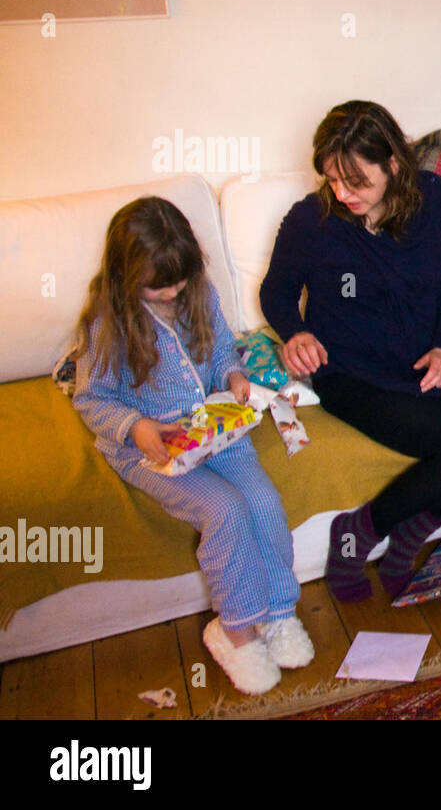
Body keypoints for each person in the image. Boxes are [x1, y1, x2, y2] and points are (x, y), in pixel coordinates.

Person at [260, 101, 441, 603]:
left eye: (355, 182)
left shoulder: (431, 196)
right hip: (350, 370)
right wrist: (295, 333)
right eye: (332, 180)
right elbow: (276, 293)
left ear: (393, 164)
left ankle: (412, 533)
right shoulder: (312, 219)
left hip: (420, 361)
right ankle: (359, 531)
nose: (342, 194)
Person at [72, 197, 312, 696]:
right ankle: (236, 630)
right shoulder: (108, 322)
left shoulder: (199, 294)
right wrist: (134, 425)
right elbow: (92, 398)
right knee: (225, 511)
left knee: (265, 503)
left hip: (212, 428)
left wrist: (234, 376)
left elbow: (223, 347)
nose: (171, 294)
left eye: (179, 282)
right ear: (125, 276)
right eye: (158, 287)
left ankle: (277, 613)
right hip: (152, 449)